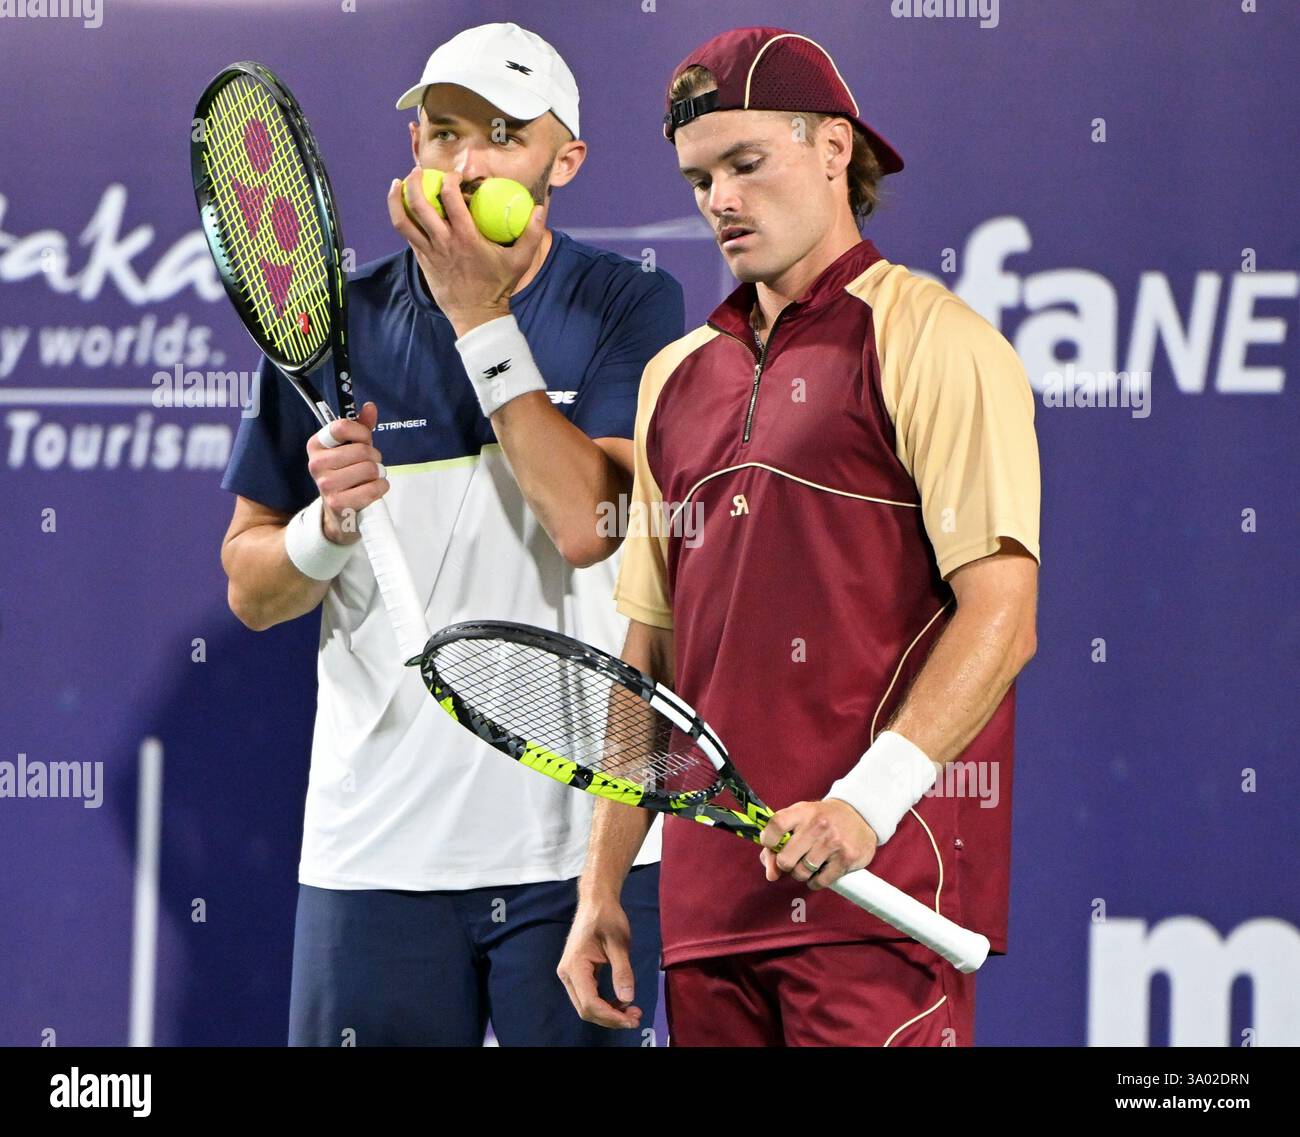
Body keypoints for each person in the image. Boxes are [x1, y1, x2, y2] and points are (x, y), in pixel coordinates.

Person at [558, 26, 1040, 1046]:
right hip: (705, 918)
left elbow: (1002, 615)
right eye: (698, 179)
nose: (718, 201)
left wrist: (864, 805)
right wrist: (602, 881)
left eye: (744, 164)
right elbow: (649, 657)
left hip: (881, 899)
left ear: (832, 149)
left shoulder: (935, 340)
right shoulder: (671, 381)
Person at [220, 21, 682, 1046]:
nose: (465, 164)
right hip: (376, 858)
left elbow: (585, 524)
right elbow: (252, 589)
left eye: (503, 136)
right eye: (440, 134)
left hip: (581, 857)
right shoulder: (327, 322)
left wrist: (479, 321)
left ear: (564, 162)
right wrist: (328, 528)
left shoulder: (632, 303)